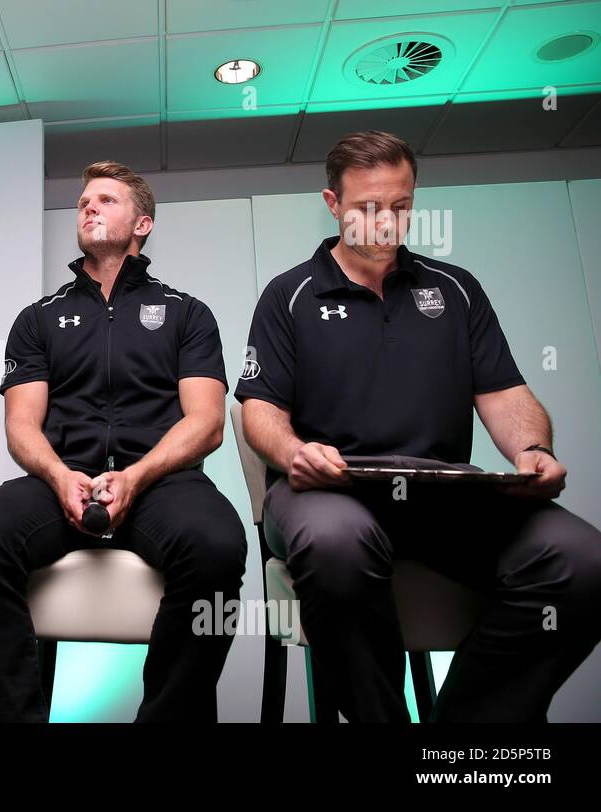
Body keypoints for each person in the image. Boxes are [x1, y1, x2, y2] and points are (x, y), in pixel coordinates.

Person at [236, 130, 601, 722]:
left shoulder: (455, 289)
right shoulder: (290, 295)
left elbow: (506, 393)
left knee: (583, 562)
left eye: (401, 208)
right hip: (331, 488)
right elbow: (260, 409)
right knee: (335, 544)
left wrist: (534, 448)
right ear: (332, 205)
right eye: (367, 208)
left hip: (442, 491)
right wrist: (295, 451)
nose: (386, 223)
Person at [0, 161, 247, 722]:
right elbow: (22, 425)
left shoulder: (189, 313)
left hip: (161, 480)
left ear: (143, 224)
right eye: (84, 200)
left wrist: (136, 476)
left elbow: (206, 421)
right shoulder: (38, 318)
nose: (88, 206)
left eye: (106, 200)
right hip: (63, 478)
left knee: (217, 545)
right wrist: (60, 476)